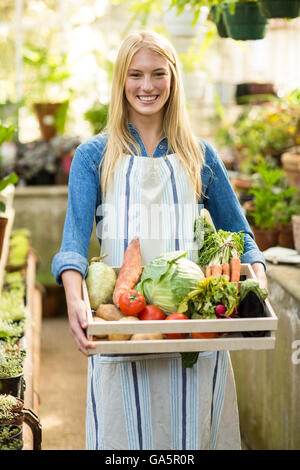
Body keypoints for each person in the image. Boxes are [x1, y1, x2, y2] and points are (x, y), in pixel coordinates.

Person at [52, 30, 268, 450]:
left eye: (157, 74)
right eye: (135, 75)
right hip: (123, 327)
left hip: (192, 333)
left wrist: (255, 275)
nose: (146, 86)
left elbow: (242, 235)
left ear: (173, 79)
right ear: (121, 81)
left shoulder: (199, 154)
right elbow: (73, 245)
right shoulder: (94, 156)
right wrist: (76, 300)